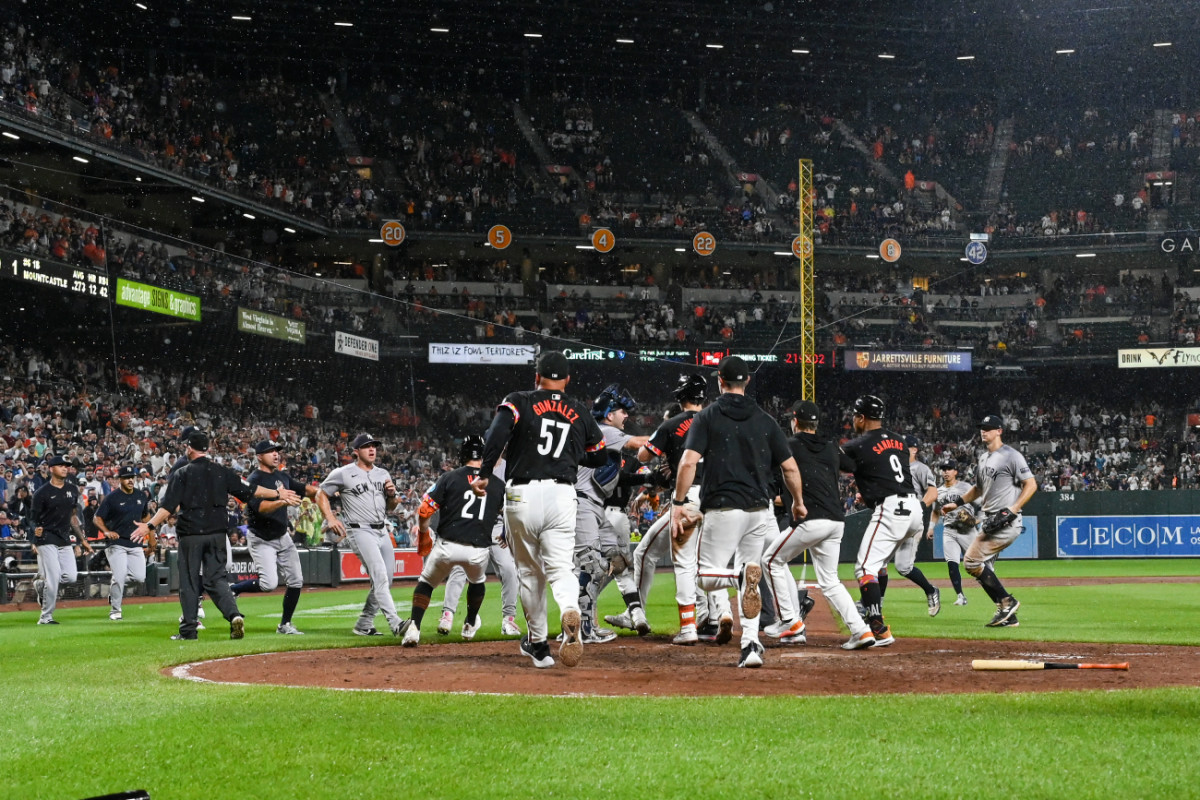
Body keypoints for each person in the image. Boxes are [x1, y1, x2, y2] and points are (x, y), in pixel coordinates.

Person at [473, 350, 609, 669]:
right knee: (561, 567)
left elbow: (496, 434)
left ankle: (539, 645)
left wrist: (484, 472)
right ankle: (567, 610)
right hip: (562, 494)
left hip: (523, 494)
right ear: (567, 380)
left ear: (537, 377)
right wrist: (571, 455)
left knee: (530, 574)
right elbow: (600, 454)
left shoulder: (519, 399)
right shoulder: (578, 409)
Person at [670, 356, 805, 668]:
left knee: (705, 577)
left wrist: (678, 505)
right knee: (750, 577)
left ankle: (741, 577)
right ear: (746, 382)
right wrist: (797, 501)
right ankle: (751, 645)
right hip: (760, 509)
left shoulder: (707, 417)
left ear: (720, 380)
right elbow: (790, 468)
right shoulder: (766, 419)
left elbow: (688, 462)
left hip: (723, 507)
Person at [133, 432, 295, 640]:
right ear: (207, 449)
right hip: (217, 535)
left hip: (191, 535)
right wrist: (277, 494)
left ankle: (189, 630)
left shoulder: (182, 473)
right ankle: (234, 615)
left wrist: (149, 526)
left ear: (190, 448)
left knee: (190, 582)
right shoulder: (222, 471)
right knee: (217, 579)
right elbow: (251, 490)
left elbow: (167, 508)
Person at [618, 375, 731, 645]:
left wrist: (668, 450)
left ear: (681, 397)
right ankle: (719, 615)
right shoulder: (720, 422)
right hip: (720, 499)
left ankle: (688, 626)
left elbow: (643, 456)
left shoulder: (672, 423)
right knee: (711, 562)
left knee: (678, 561)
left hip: (688, 499)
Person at [762, 400, 877, 649]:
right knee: (830, 580)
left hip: (811, 518)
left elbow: (768, 466)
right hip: (836, 521)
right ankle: (861, 630)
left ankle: (789, 620)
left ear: (794, 422)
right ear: (815, 424)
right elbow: (853, 466)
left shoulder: (788, 445)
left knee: (771, 560)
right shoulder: (830, 446)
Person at [401, 435, 506, 646]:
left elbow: (425, 510)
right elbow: (512, 515)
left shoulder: (450, 477)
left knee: (427, 583)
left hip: (447, 546)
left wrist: (423, 533)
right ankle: (469, 623)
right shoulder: (497, 483)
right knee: (477, 582)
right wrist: (505, 535)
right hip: (478, 550)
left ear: (462, 454)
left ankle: (414, 628)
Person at [940, 414, 1037, 627]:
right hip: (990, 520)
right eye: (982, 427)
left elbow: (1031, 484)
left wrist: (1013, 508)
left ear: (999, 431)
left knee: (972, 562)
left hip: (1005, 521)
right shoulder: (983, 458)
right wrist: (955, 503)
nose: (984, 431)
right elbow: (977, 489)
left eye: (989, 427)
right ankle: (1008, 614)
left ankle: (1007, 602)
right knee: (979, 567)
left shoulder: (1011, 455)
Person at [574, 383, 651, 642]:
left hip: (596, 506)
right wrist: (675, 434)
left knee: (616, 560)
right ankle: (583, 626)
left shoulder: (602, 432)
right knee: (590, 565)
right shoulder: (605, 430)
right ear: (609, 414)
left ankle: (586, 617)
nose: (626, 416)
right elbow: (642, 444)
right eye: (621, 411)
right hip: (582, 504)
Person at [838, 395, 914, 647]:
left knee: (863, 569)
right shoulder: (900, 440)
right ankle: (875, 612)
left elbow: (840, 463)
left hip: (890, 507)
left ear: (861, 417)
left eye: (855, 416)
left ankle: (877, 626)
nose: (853, 420)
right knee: (878, 565)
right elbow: (884, 467)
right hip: (913, 508)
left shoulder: (857, 444)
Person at [317, 433, 409, 638]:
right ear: (356, 452)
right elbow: (320, 493)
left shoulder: (383, 473)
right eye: (367, 446)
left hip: (381, 529)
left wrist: (393, 496)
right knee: (380, 576)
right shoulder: (343, 473)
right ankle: (396, 623)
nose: (372, 449)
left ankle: (364, 623)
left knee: (388, 578)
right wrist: (330, 518)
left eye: (374, 445)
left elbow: (392, 507)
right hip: (359, 530)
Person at [230, 441, 321, 635]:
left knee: (296, 580)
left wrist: (325, 492)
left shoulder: (281, 476)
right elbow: (260, 508)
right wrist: (281, 501)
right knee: (268, 584)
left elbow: (304, 489)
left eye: (277, 451)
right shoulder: (254, 478)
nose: (275, 454)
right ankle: (234, 588)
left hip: (282, 536)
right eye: (270, 451)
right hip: (262, 538)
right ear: (259, 456)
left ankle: (285, 624)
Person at [440, 457, 522, 638]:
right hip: (474, 525)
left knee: (509, 569)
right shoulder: (473, 466)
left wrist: (509, 528)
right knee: (459, 568)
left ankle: (508, 619)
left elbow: (515, 500)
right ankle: (448, 614)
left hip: (498, 527)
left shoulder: (512, 465)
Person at [880, 435, 942, 616]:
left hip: (911, 522)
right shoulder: (892, 468)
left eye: (904, 446)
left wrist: (918, 508)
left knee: (903, 567)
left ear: (914, 449)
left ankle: (930, 590)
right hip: (892, 519)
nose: (899, 449)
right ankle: (875, 604)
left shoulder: (920, 468)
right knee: (878, 564)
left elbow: (933, 492)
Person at [31, 455, 95, 625]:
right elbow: (32, 519)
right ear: (51, 469)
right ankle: (46, 617)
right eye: (61, 466)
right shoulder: (41, 493)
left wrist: (83, 540)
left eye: (66, 466)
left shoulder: (72, 490)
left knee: (71, 576)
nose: (65, 468)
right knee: (53, 578)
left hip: (64, 537)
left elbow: (73, 518)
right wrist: (33, 536)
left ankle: (41, 587)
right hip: (46, 537)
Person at [93, 464, 150, 621]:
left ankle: (114, 589)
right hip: (116, 542)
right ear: (120, 480)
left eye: (132, 477)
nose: (131, 480)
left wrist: (152, 537)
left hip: (135, 542)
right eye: (127, 478)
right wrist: (106, 531)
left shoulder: (141, 495)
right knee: (119, 577)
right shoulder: (112, 497)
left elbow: (146, 518)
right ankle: (115, 610)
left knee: (140, 577)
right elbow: (97, 518)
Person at [928, 460, 980, 607]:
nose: (946, 472)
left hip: (968, 531)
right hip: (949, 530)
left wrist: (978, 520)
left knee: (979, 564)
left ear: (956, 471)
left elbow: (982, 504)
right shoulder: (938, 491)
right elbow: (935, 511)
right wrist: (931, 527)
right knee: (952, 564)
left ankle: (996, 591)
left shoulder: (965, 487)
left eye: (949, 469)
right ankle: (960, 596)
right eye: (943, 469)